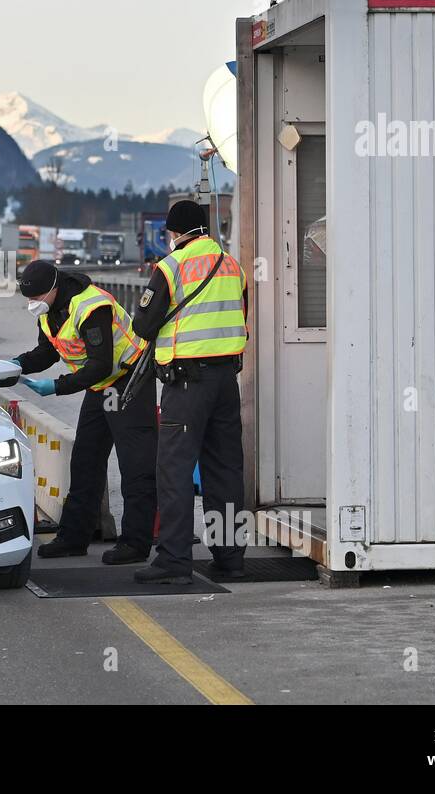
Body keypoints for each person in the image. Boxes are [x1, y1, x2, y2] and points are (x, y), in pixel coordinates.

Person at [129, 200, 248, 584]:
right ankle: (230, 558)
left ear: (175, 233)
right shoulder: (233, 266)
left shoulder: (172, 267)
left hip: (187, 383)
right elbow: (239, 315)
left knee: (175, 470)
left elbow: (144, 326)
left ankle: (174, 561)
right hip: (226, 381)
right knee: (226, 470)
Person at [14, 260, 158, 565]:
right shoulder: (50, 312)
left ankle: (135, 542)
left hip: (127, 382)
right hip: (100, 387)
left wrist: (57, 386)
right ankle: (73, 538)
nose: (32, 304)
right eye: (28, 299)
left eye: (36, 297)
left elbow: (100, 363)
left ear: (53, 289)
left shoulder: (92, 307)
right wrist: (17, 364)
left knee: (135, 464)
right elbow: (48, 351)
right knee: (85, 460)